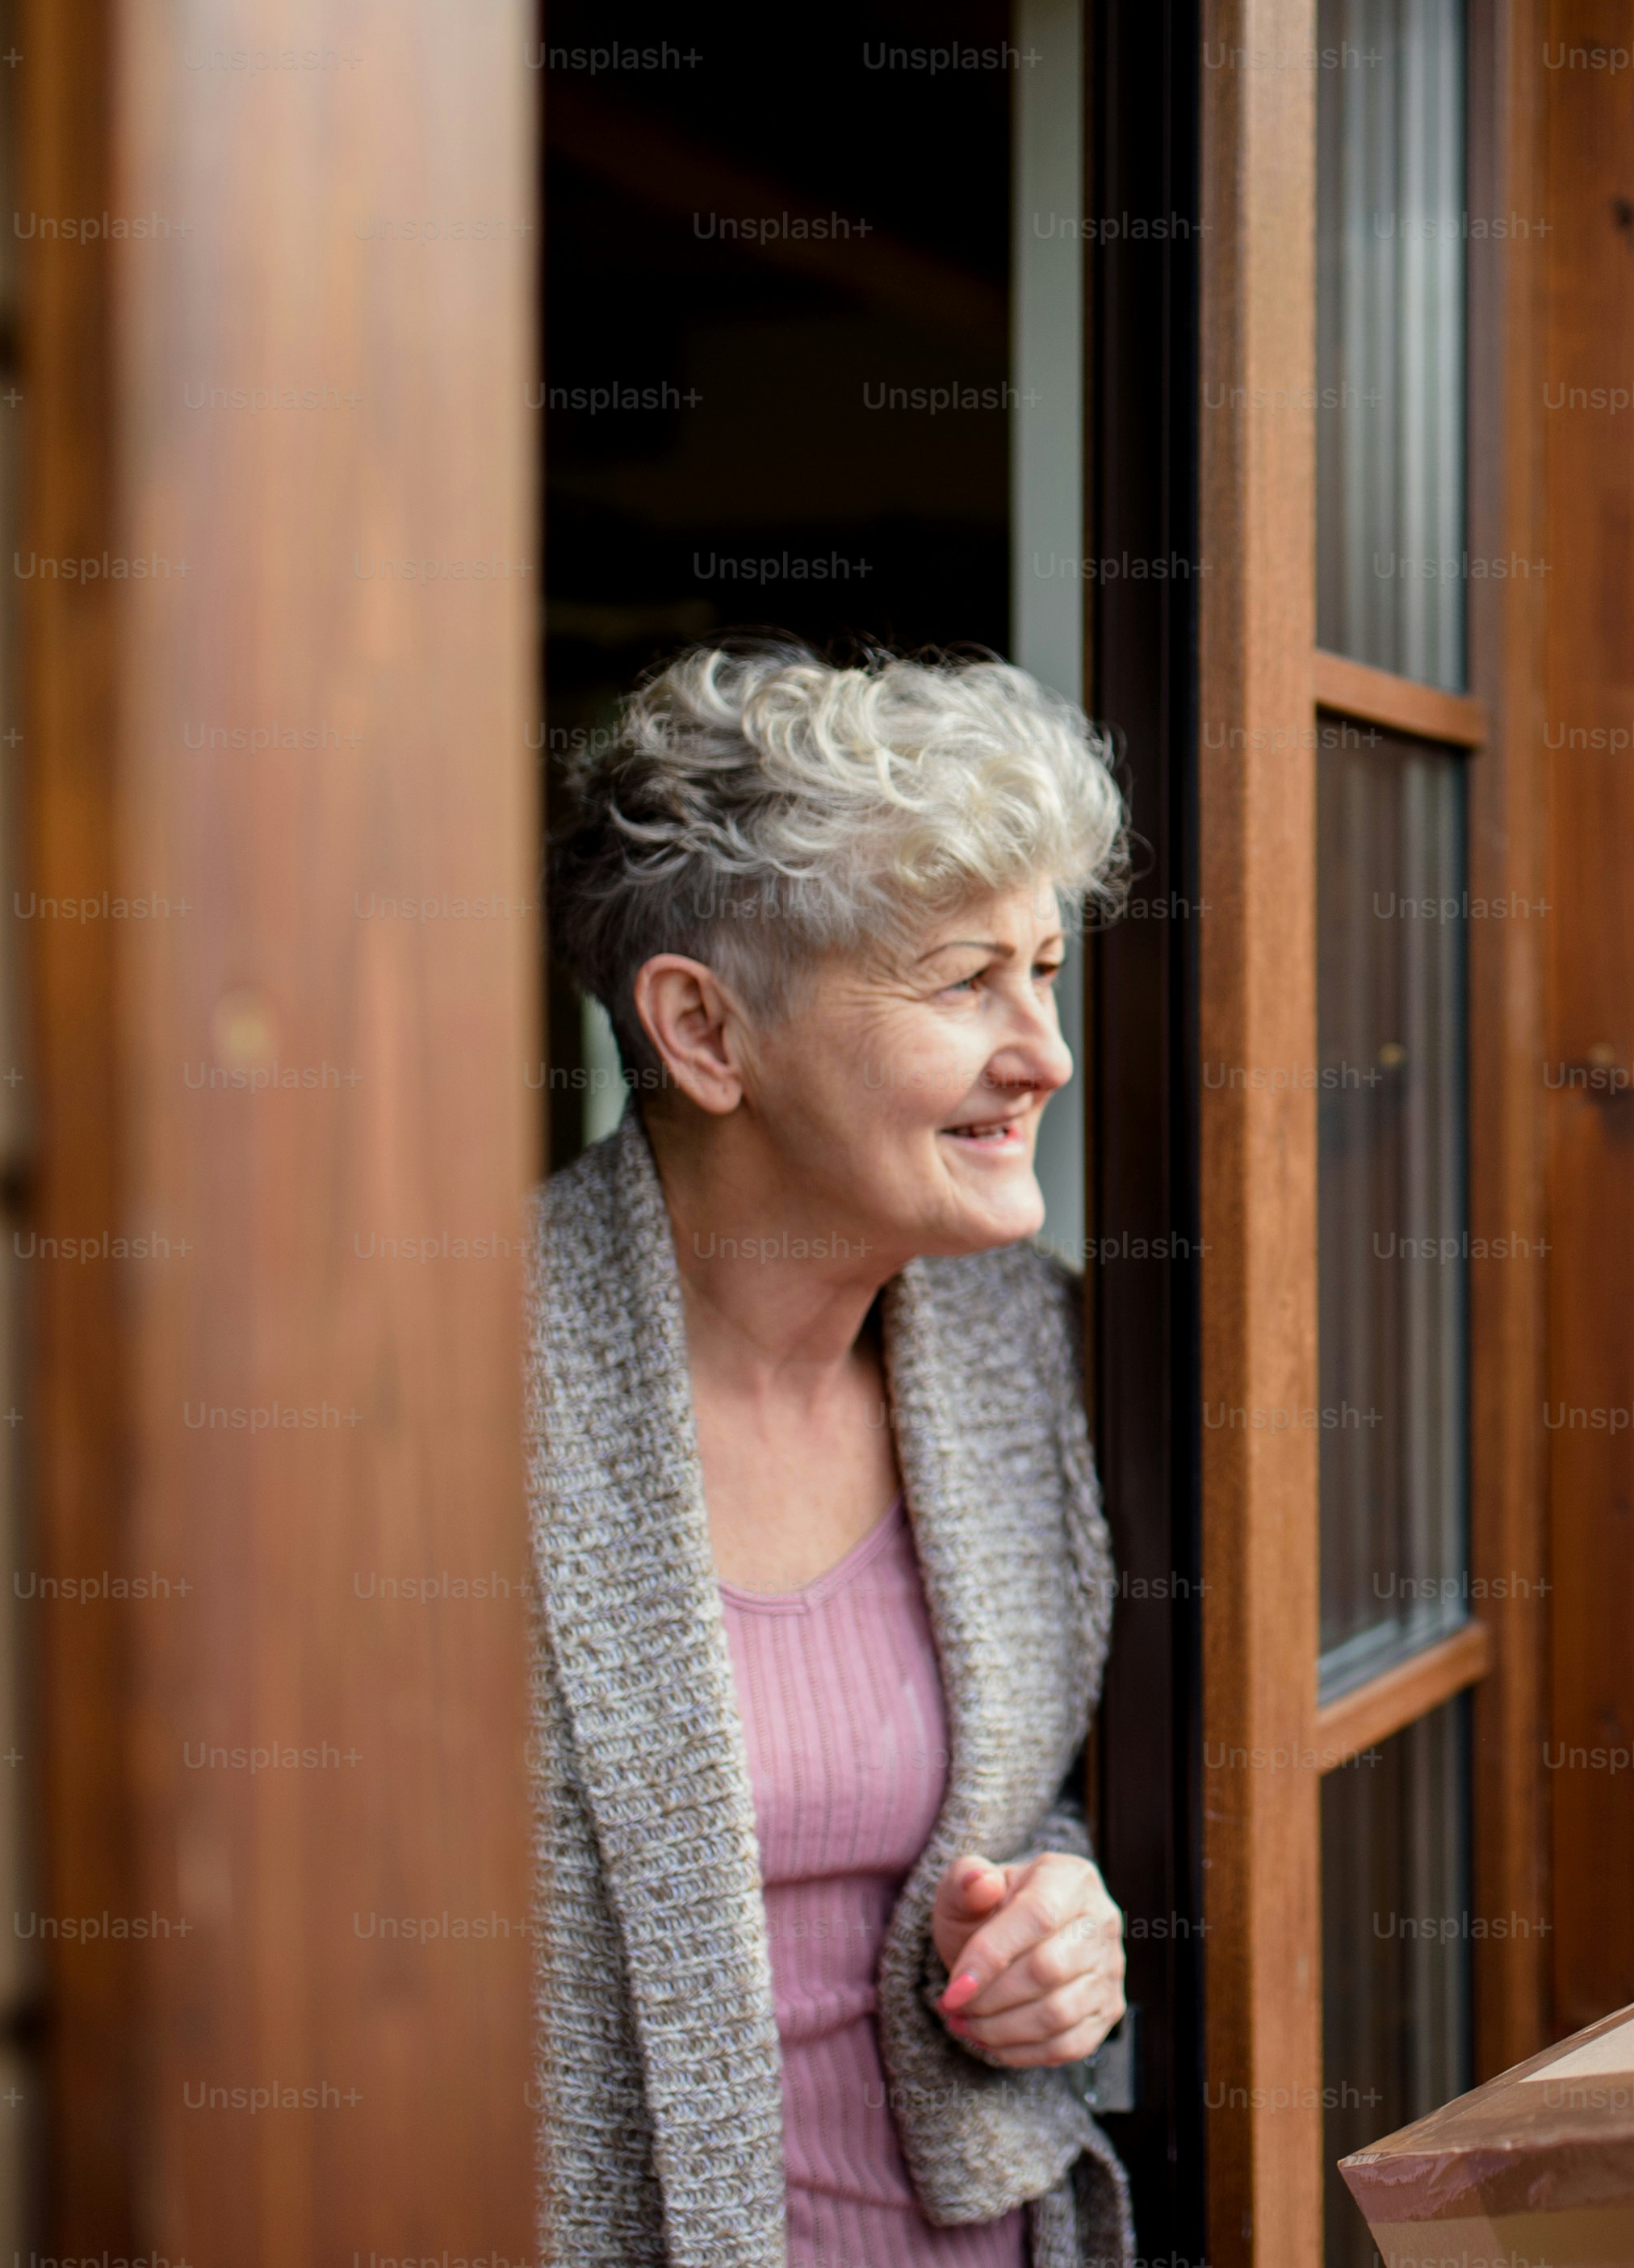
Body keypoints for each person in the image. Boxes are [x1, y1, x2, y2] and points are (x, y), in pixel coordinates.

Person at [527, 639, 1133, 2265]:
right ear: (704, 1033)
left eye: (1046, 969)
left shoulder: (1013, 1344)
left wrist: (1057, 1930)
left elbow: (997, 1811)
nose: (1044, 1053)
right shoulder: (454, 1392)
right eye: (962, 981)